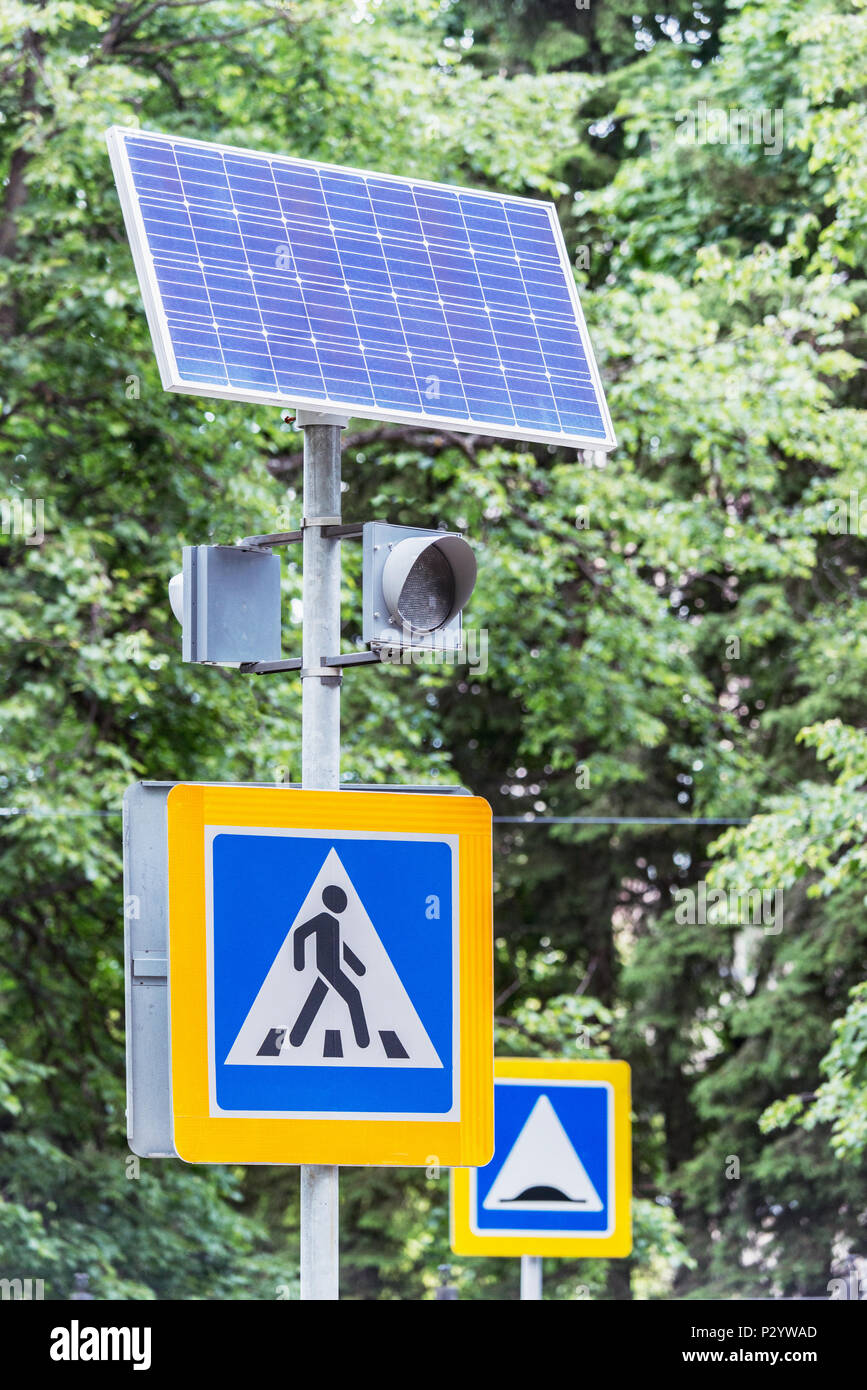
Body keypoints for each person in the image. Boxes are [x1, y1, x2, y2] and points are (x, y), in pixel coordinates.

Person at [289, 885, 369, 1048]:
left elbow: (340, 948)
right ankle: (363, 1041)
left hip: (330, 968)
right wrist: (299, 964)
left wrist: (358, 967)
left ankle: (296, 1038)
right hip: (327, 968)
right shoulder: (323, 918)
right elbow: (299, 934)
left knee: (315, 999)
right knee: (353, 996)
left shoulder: (334, 922)